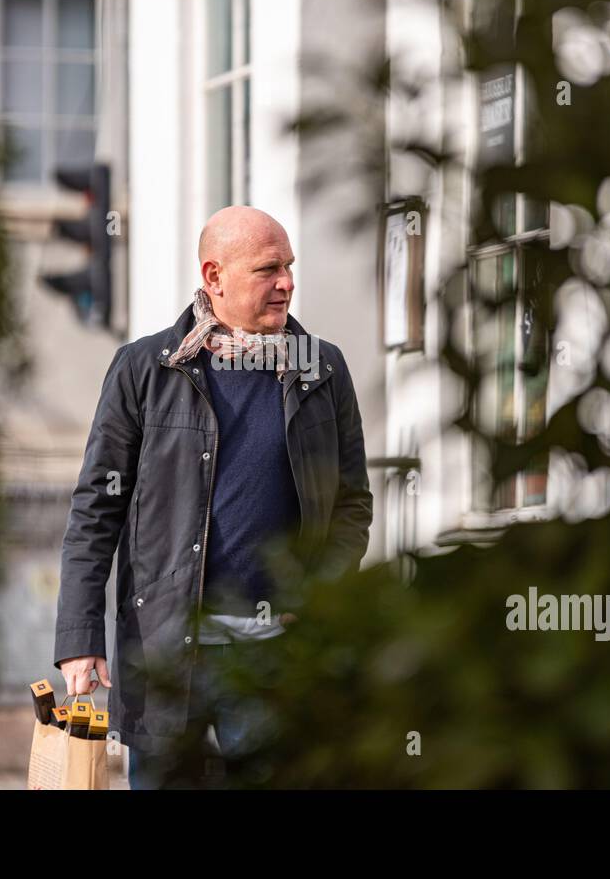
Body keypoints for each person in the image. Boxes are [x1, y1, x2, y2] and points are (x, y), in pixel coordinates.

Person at [53, 205, 373, 788]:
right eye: (268, 269)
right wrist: (78, 639)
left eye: (289, 267)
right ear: (214, 276)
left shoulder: (322, 369)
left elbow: (352, 505)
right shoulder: (145, 369)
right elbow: (97, 511)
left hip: (280, 653)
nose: (287, 284)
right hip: (166, 651)